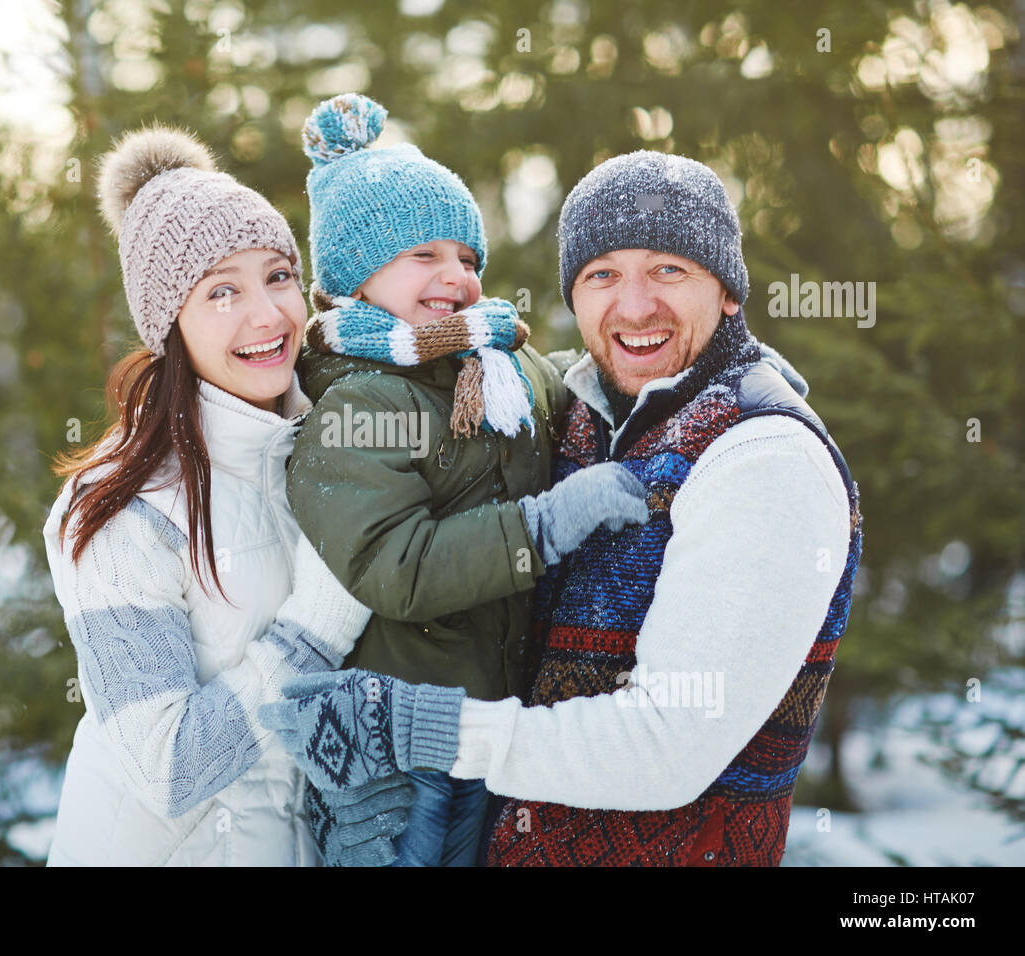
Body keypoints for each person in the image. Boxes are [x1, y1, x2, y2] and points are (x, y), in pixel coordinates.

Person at [263, 148, 863, 867]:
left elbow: (669, 744)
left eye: (669, 269)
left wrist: (424, 728)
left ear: (729, 291)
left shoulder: (763, 459)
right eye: (602, 275)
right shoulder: (577, 412)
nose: (635, 306)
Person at [283, 94, 650, 867]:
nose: (454, 275)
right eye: (424, 255)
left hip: (495, 731)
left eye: (467, 258)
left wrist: (712, 376)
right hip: (393, 759)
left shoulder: (501, 365)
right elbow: (395, 566)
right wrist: (541, 529)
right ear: (354, 275)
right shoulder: (356, 401)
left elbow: (588, 398)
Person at [42, 122, 392, 866]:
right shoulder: (121, 509)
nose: (266, 314)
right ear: (170, 324)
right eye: (221, 291)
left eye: (277, 276)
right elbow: (168, 766)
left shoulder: (324, 449)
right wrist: (313, 631)